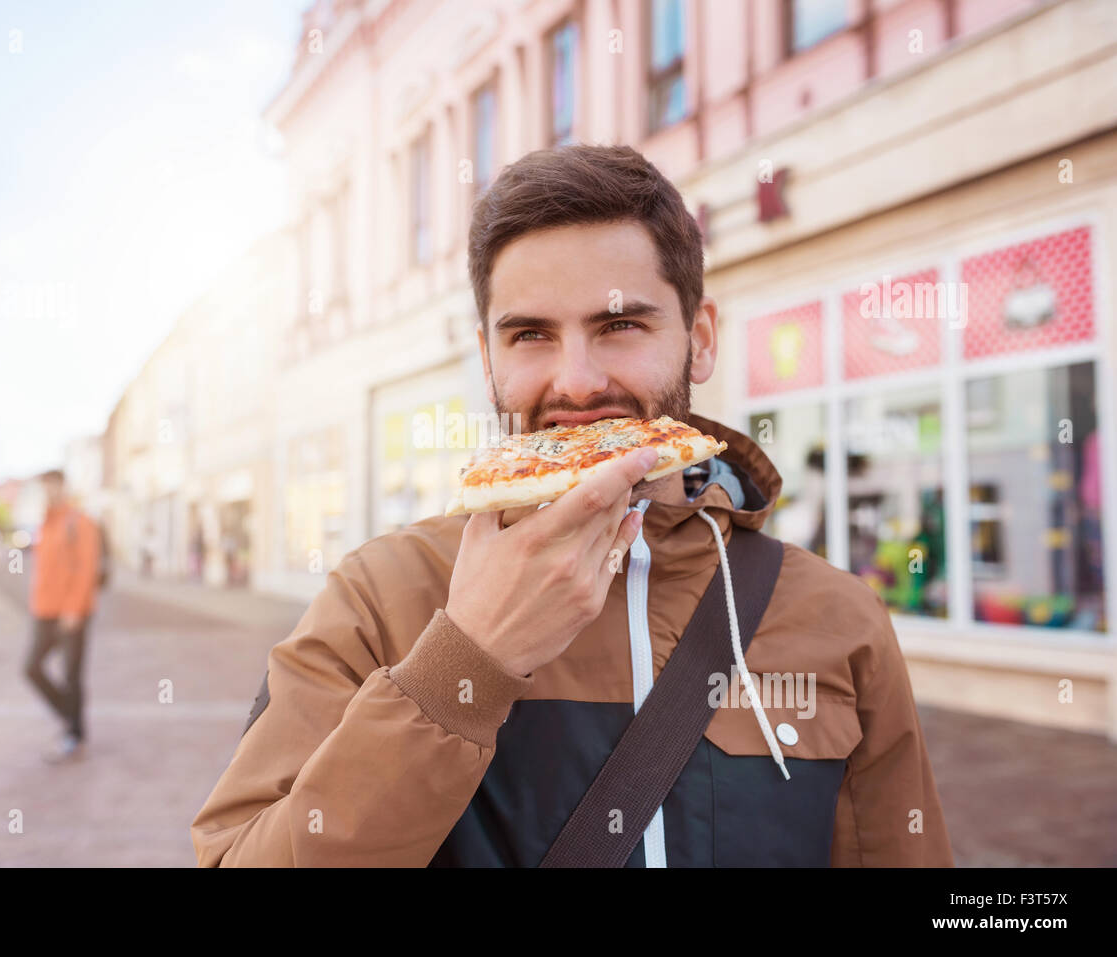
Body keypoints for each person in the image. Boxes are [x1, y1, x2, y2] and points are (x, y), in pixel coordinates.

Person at [192, 144, 953, 867]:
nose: (579, 380)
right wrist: (466, 664)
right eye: (530, 335)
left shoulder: (838, 617)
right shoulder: (376, 597)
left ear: (701, 337)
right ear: (489, 363)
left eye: (619, 325)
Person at [24, 469, 100, 763]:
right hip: (44, 610)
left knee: (72, 674)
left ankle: (74, 735)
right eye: (45, 488)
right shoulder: (45, 523)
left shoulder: (79, 522)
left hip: (71, 612)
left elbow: (86, 569)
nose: (49, 493)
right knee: (31, 668)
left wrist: (74, 608)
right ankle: (70, 717)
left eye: (53, 487)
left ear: (64, 487)